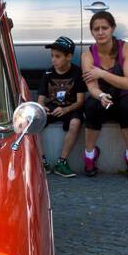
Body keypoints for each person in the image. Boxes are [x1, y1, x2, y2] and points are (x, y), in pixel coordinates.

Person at [81, 11, 128, 178]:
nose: (100, 32)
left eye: (104, 28)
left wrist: (101, 73)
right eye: (96, 29)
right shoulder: (87, 56)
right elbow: (91, 87)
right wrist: (101, 96)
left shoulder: (127, 48)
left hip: (125, 95)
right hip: (103, 98)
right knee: (91, 106)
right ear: (92, 32)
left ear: (112, 29)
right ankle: (89, 155)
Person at [39, 36, 86, 178]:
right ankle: (41, 161)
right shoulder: (48, 73)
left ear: (69, 56)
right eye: (52, 56)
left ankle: (62, 162)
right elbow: (40, 100)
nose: (53, 59)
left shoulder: (77, 73)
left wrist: (66, 109)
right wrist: (42, 108)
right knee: (34, 121)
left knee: (75, 123)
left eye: (58, 56)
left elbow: (80, 101)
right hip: (53, 107)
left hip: (71, 108)